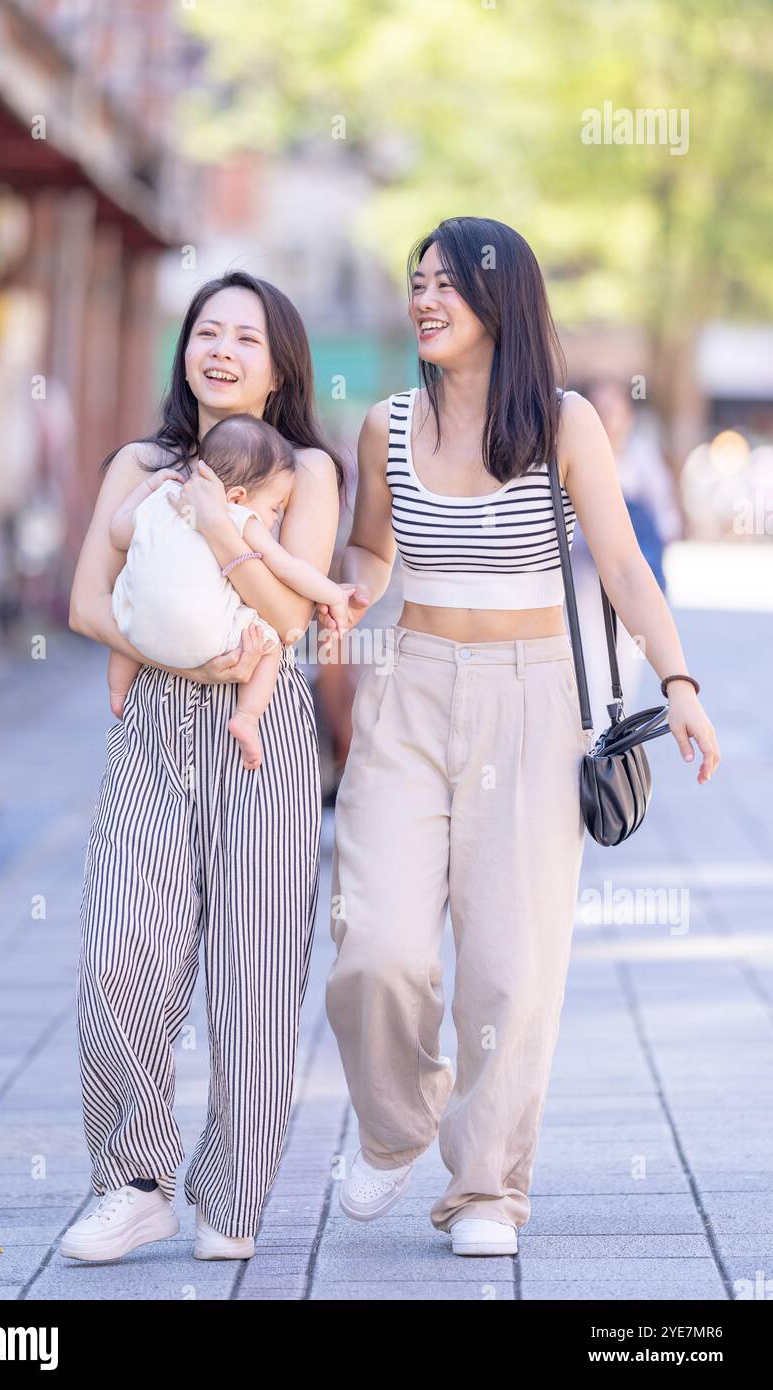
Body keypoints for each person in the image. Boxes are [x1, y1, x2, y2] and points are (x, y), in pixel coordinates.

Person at [319, 216, 720, 1259]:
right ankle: (397, 1123)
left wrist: (675, 679)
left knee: (509, 961)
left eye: (447, 283)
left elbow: (624, 568)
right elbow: (370, 552)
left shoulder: (559, 422)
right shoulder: (385, 427)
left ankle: (486, 1185)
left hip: (532, 696)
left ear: (501, 301)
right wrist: (337, 599)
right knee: (375, 942)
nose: (424, 298)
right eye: (416, 281)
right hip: (408, 690)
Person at [63, 270, 349, 1263]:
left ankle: (232, 1191)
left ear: (278, 369)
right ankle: (131, 1178)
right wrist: (171, 645)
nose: (220, 348)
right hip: (150, 727)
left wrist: (222, 533)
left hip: (257, 735)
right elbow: (85, 602)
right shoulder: (140, 462)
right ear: (184, 348)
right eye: (206, 331)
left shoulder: (307, 470)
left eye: (246, 338)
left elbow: (285, 619)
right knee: (116, 957)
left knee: (255, 974)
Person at [107, 413, 350, 768]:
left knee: (131, 600)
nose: (272, 517)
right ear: (237, 496)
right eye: (274, 508)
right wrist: (332, 594)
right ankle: (247, 719)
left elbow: (117, 533)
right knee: (269, 642)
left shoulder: (162, 501)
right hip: (212, 646)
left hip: (141, 641)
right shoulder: (240, 518)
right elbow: (287, 567)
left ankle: (117, 693)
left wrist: (146, 490)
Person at [571, 376, 683, 727]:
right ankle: (594, 732)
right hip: (583, 579)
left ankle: (614, 731)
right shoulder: (572, 455)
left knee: (626, 661)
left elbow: (667, 519)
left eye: (615, 409)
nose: (609, 419)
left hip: (629, 576)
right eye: (600, 410)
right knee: (587, 656)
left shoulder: (641, 459)